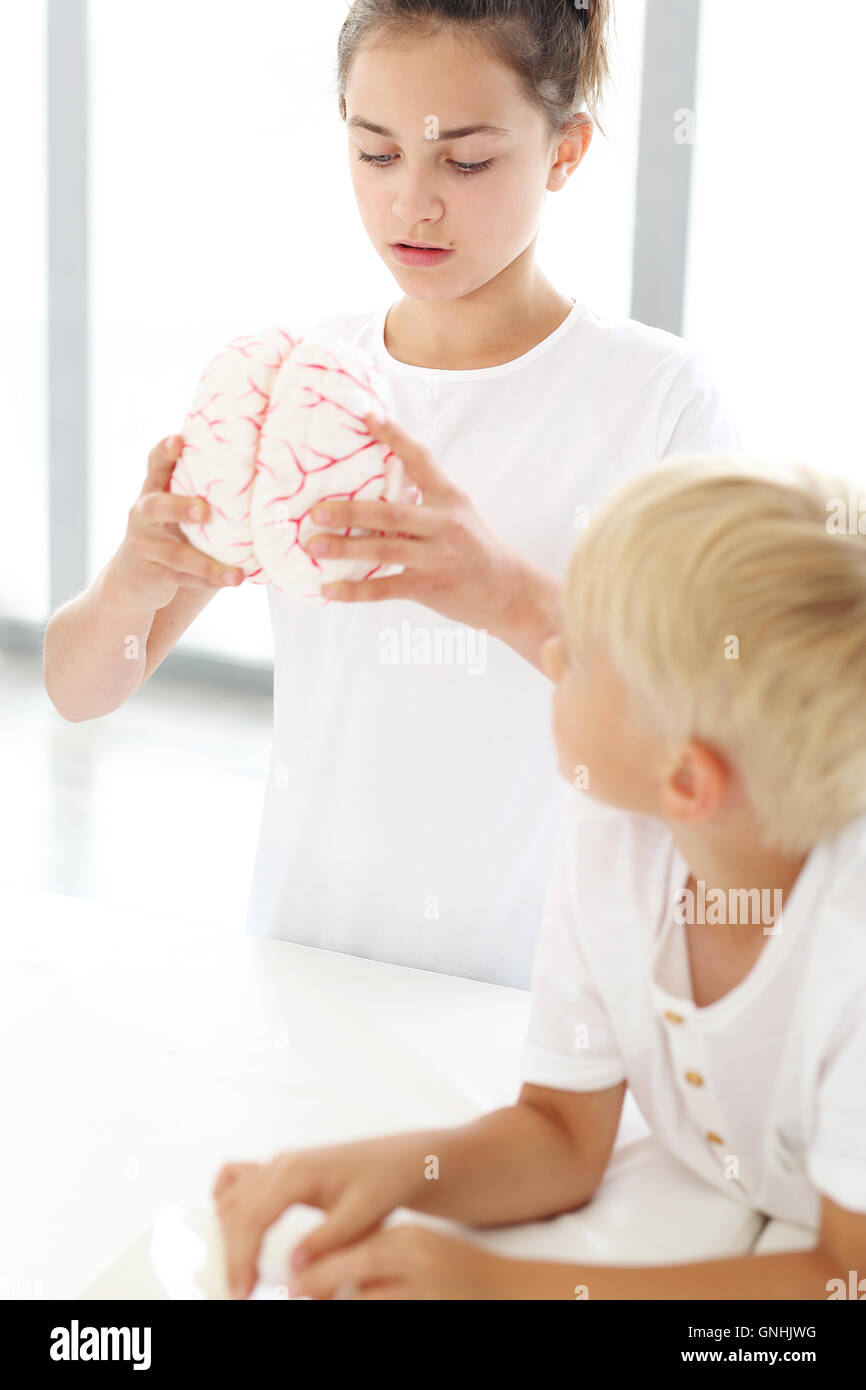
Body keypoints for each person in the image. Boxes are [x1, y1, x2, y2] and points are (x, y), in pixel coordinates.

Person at [42, 1, 742, 988]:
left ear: (564, 151)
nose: (411, 204)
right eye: (375, 155)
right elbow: (78, 689)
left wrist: (502, 593)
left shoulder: (656, 401)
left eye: (463, 162)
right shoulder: (306, 377)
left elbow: (713, 740)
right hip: (296, 972)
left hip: (529, 1014)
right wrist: (131, 577)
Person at [212, 455, 866, 1299]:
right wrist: (395, 1170)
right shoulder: (614, 829)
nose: (552, 655)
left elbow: (845, 1275)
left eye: (586, 656)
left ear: (686, 782)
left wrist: (499, 1288)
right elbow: (562, 1132)